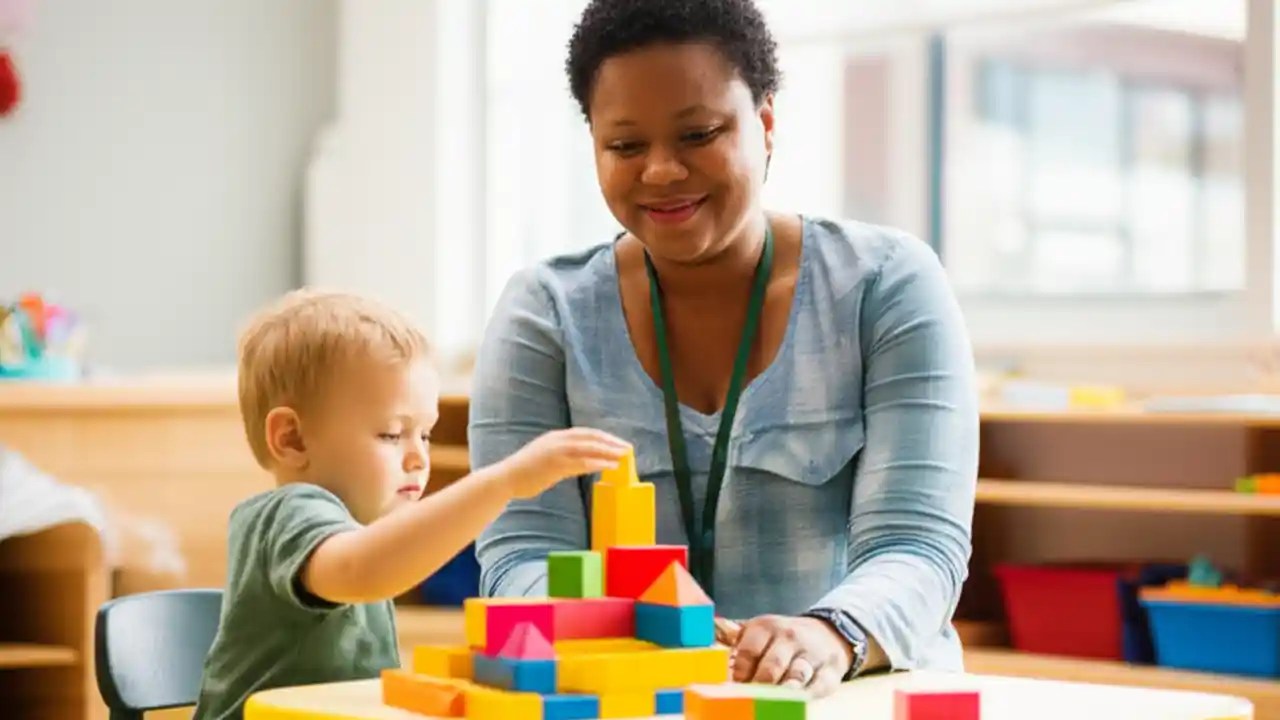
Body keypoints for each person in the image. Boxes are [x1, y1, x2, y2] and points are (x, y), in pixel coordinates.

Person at [469, 0, 979, 699]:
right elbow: (520, 554)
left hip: (846, 697)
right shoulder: (544, 314)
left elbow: (919, 547)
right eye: (624, 147)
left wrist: (829, 634)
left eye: (699, 133)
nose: (660, 171)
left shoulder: (886, 284)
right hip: (639, 703)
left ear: (765, 123)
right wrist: (638, 626)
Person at [192, 290, 630, 720]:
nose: (419, 456)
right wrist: (503, 482)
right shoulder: (290, 513)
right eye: (391, 433)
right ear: (292, 438)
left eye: (425, 434)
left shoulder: (355, 528)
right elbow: (360, 571)